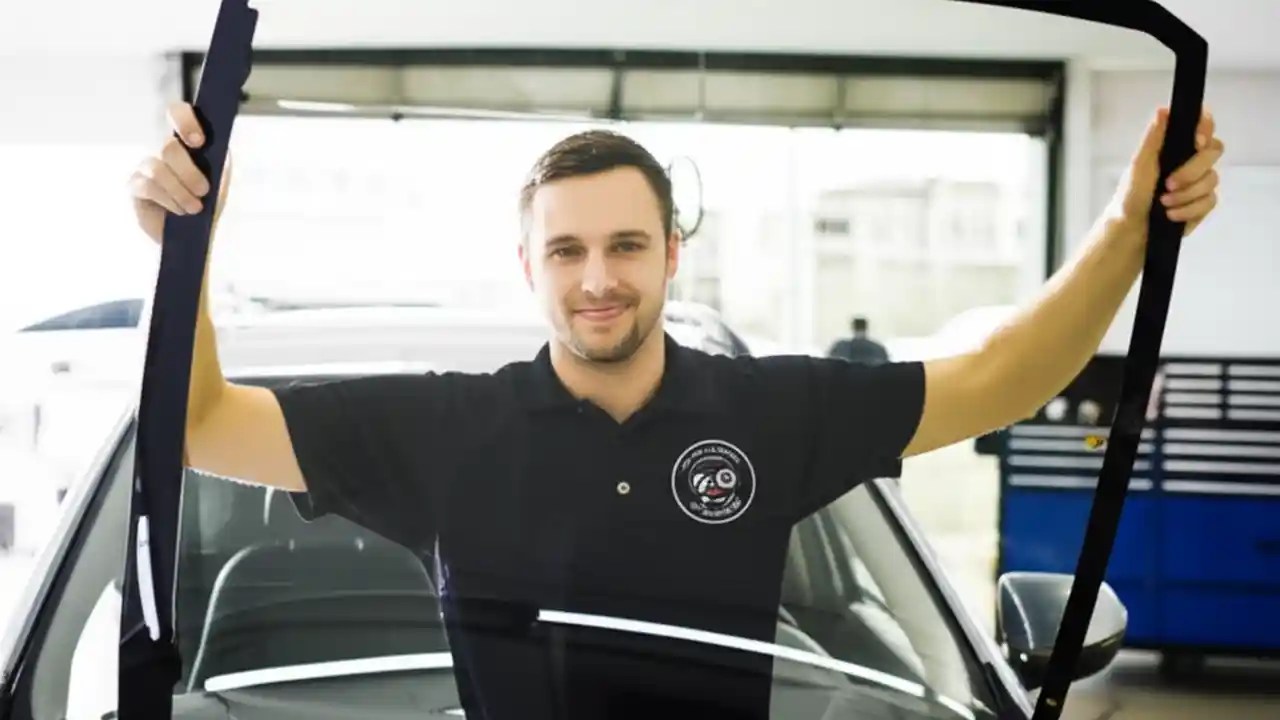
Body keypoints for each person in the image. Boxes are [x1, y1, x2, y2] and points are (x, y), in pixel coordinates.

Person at [128, 102, 1223, 719]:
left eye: (624, 246)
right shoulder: (445, 435)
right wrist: (189, 242)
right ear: (527, 265)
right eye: (566, 249)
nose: (595, 276)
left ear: (669, 255)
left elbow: (998, 375)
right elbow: (201, 423)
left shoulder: (770, 412)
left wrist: (1131, 221)